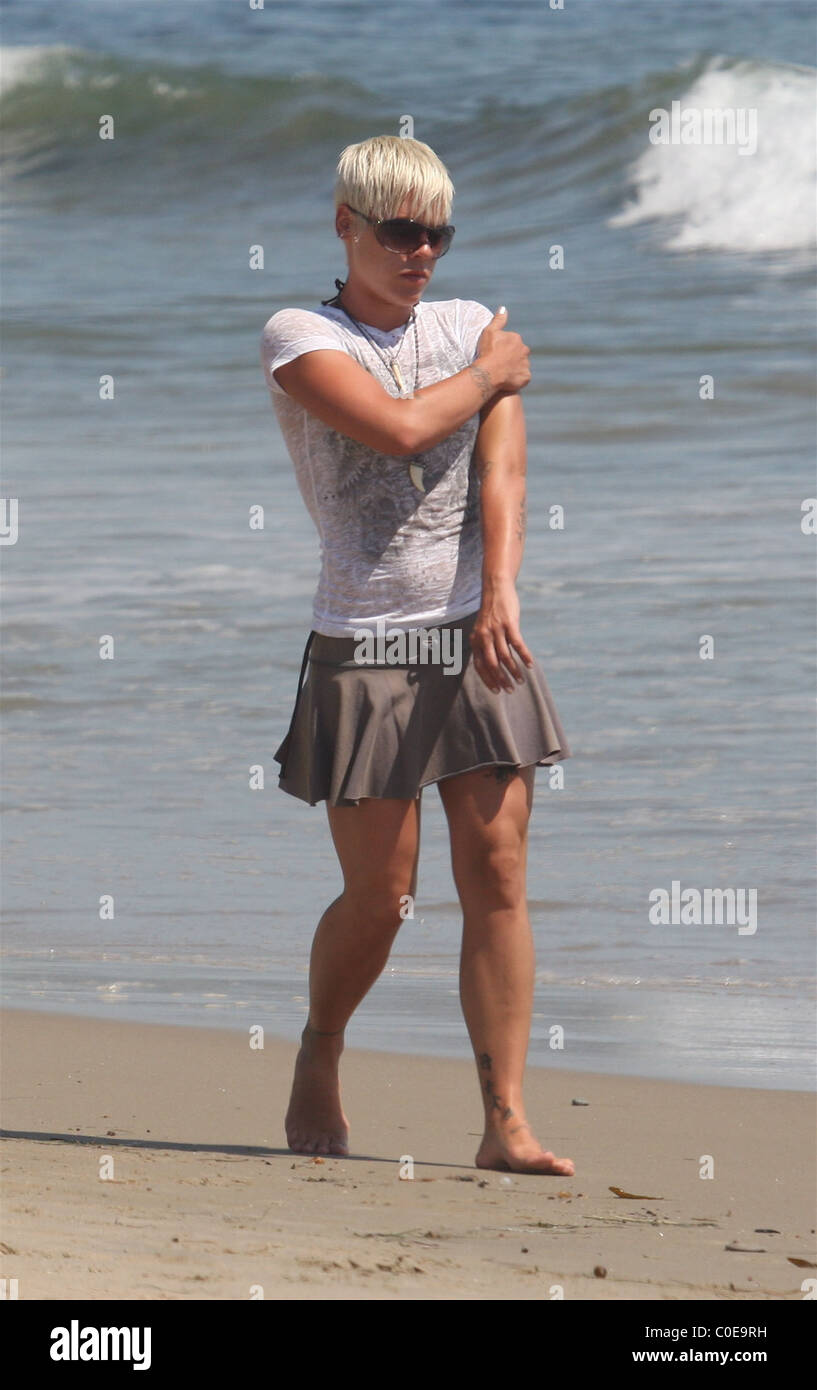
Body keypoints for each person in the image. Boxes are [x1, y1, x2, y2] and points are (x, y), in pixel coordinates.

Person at [259, 134, 574, 1175]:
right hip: (365, 642)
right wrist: (489, 373)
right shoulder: (300, 335)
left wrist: (501, 593)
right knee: (381, 897)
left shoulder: (466, 323)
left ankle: (504, 1120)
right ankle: (321, 1045)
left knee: (497, 870)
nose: (421, 252)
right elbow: (396, 431)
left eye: (437, 232)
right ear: (345, 224)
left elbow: (504, 476)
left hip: (479, 629)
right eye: (400, 230)